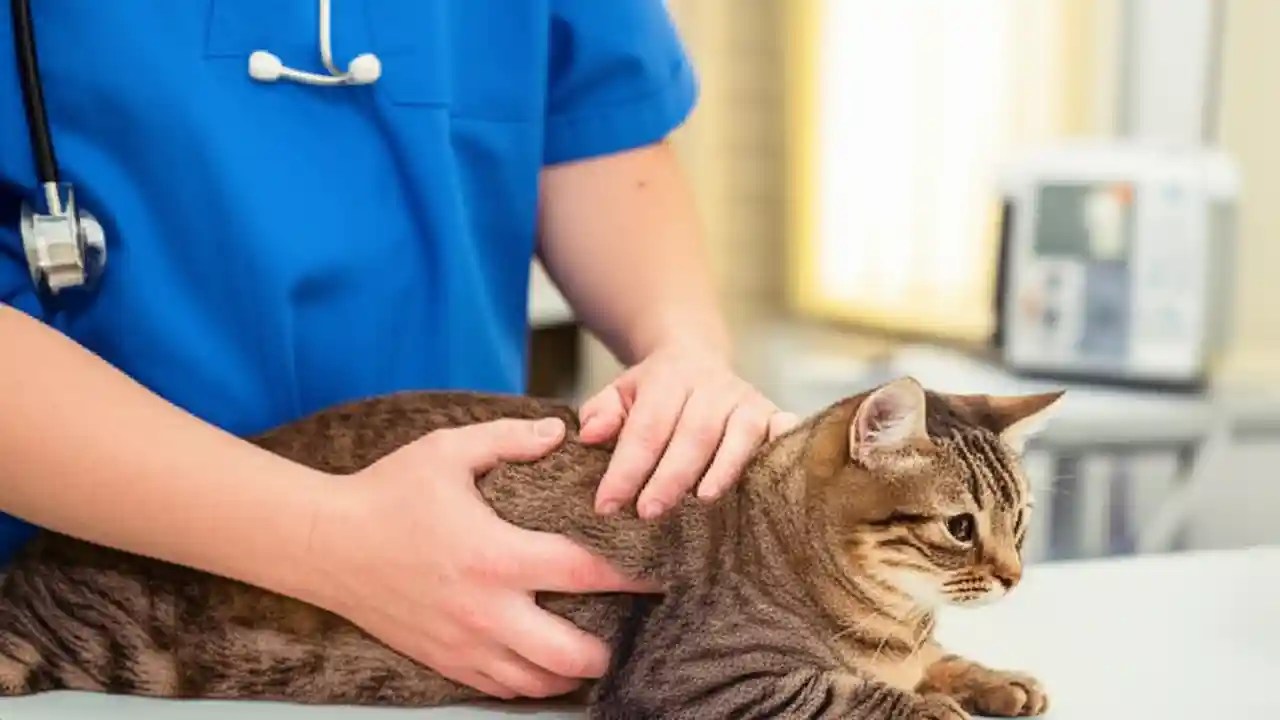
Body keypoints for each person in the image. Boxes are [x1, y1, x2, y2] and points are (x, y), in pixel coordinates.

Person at [0, 0, 795, 702]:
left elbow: (598, 125)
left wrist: (686, 351)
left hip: (473, 623)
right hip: (70, 627)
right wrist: (328, 538)